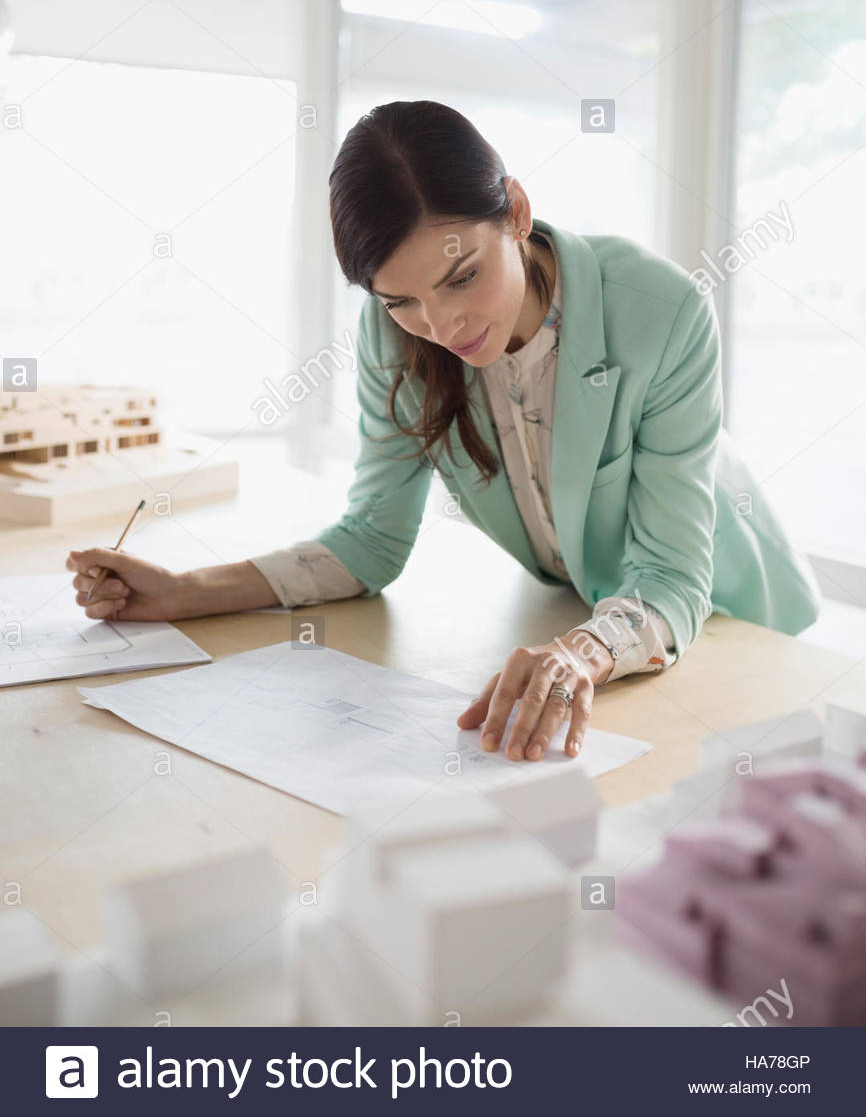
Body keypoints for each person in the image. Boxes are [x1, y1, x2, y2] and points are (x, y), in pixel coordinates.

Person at [66, 101, 821, 764]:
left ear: (516, 212)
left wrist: (582, 654)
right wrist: (187, 591)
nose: (441, 324)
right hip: (589, 619)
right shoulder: (390, 335)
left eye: (462, 278)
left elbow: (670, 575)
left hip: (731, 627)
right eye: (402, 300)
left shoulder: (661, 309)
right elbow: (371, 539)